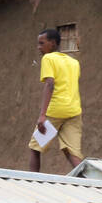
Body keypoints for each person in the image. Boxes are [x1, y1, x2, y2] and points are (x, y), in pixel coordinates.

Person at [29, 28, 82, 173]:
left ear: (52, 43)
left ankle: (32, 182)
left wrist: (42, 115)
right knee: (72, 153)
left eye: (41, 43)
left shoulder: (48, 58)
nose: (39, 47)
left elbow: (50, 84)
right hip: (74, 111)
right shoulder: (74, 62)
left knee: (35, 148)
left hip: (55, 111)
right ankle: (87, 184)